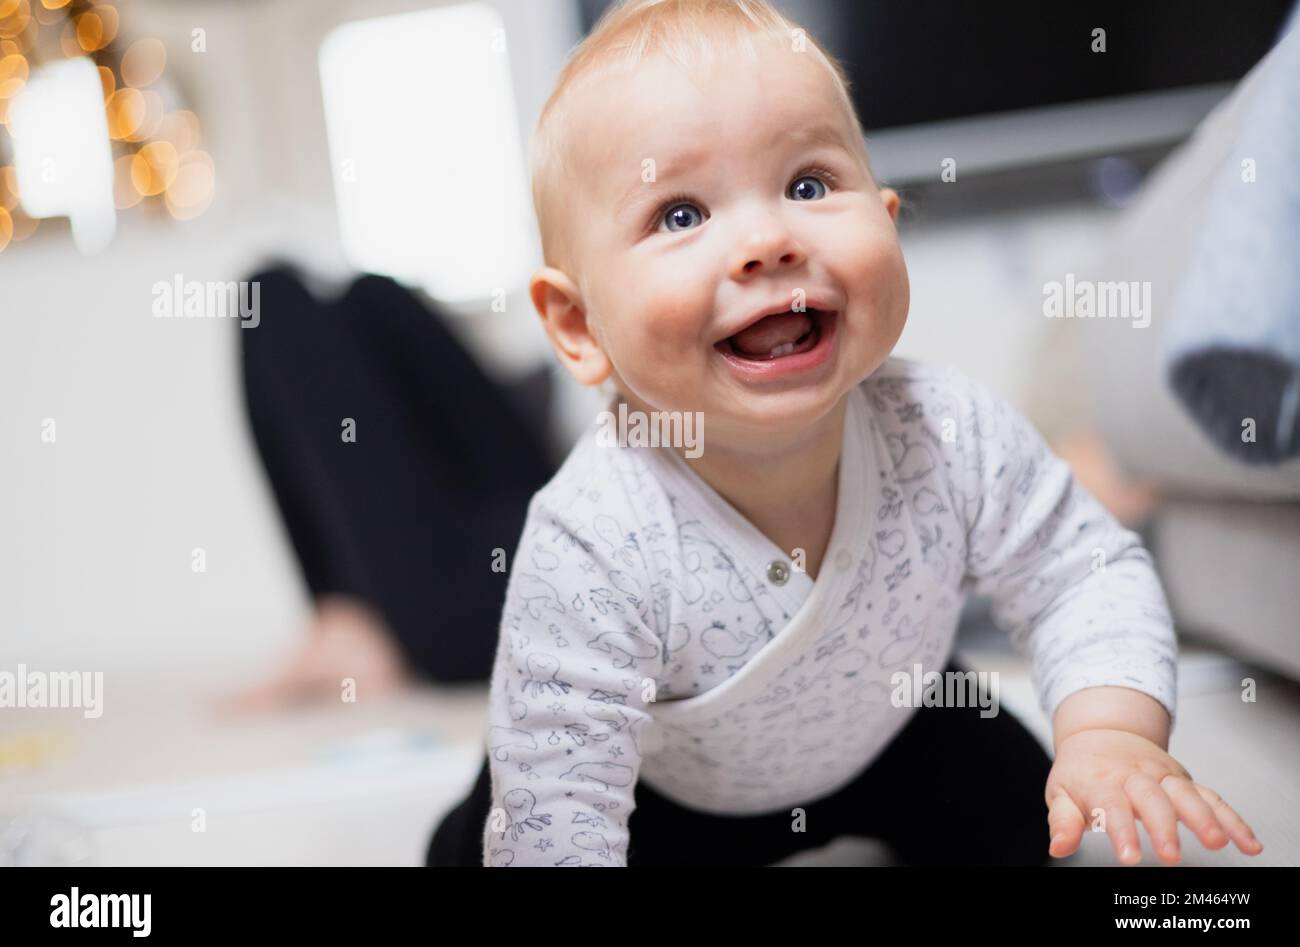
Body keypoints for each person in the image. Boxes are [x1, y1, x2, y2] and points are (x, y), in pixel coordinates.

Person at [429, 0, 1263, 867]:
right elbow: (561, 796)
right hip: (669, 787)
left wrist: (1110, 730)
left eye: (808, 185)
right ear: (578, 323)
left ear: (887, 219)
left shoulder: (948, 431)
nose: (766, 239)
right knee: (514, 829)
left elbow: (1076, 569)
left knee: (1039, 832)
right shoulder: (591, 538)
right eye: (680, 214)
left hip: (899, 721)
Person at [225, 268, 558, 712]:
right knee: (374, 293)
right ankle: (345, 616)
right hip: (539, 521)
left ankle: (343, 615)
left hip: (504, 594)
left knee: (268, 295)